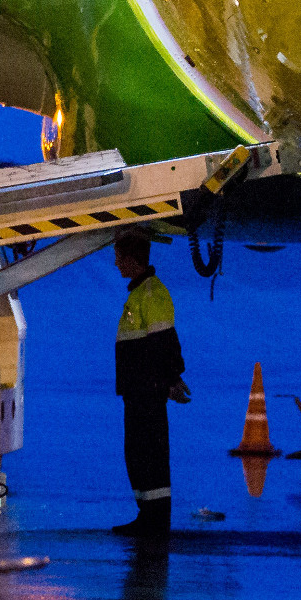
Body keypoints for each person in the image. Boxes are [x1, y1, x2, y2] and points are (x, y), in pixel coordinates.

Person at [111, 229, 190, 537]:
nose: (116, 264)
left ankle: (155, 520)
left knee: (150, 455)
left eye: (119, 259)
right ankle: (148, 515)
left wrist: (170, 380)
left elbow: (164, 342)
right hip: (138, 390)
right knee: (139, 453)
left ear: (132, 260)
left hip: (148, 390)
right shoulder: (140, 292)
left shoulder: (151, 294)